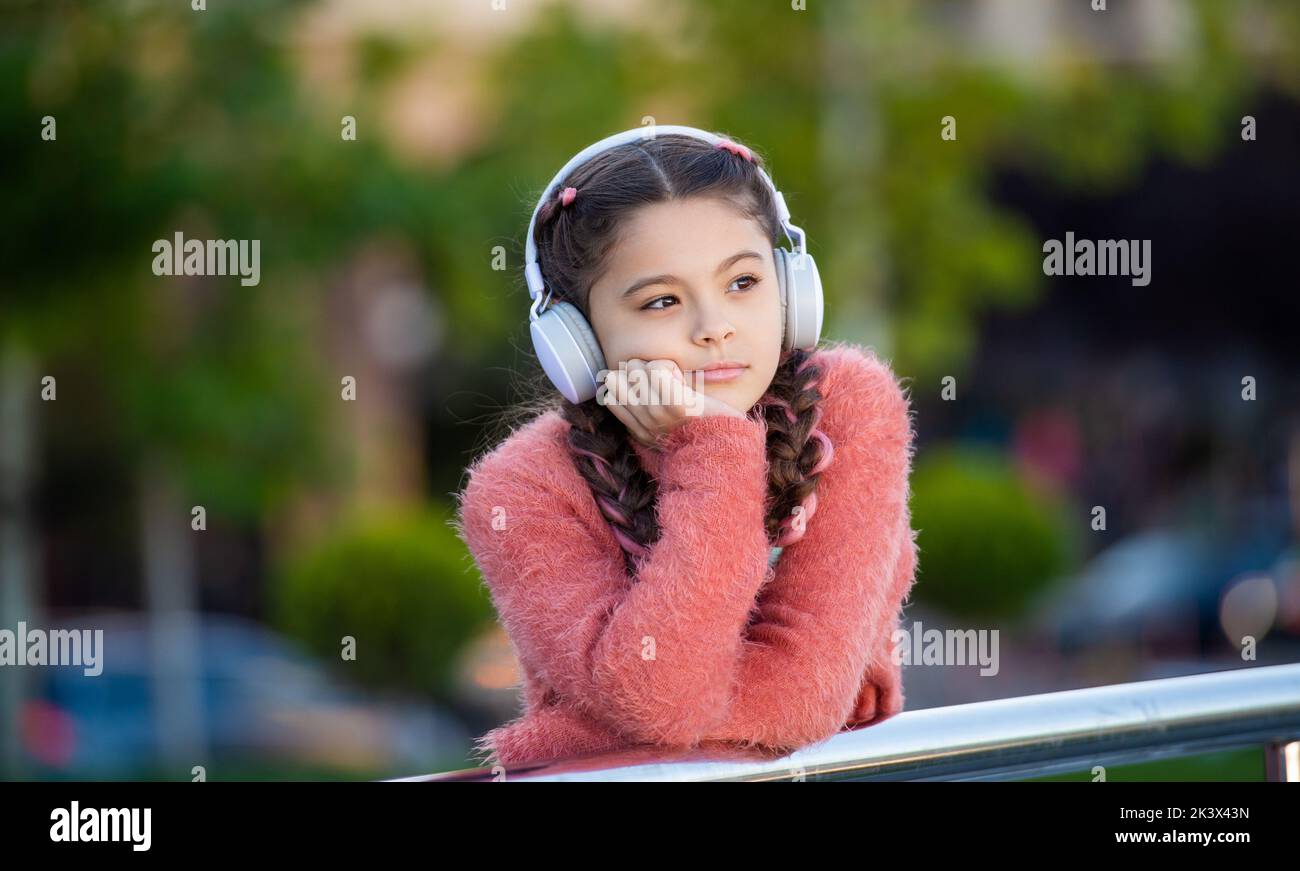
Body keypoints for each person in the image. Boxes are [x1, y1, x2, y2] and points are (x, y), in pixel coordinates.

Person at [452, 126, 919, 770]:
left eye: (743, 283)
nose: (715, 327)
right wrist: (715, 452)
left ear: (790, 285)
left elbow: (801, 700)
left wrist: (594, 731)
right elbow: (661, 700)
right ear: (577, 339)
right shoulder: (518, 491)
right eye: (663, 301)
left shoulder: (849, 408)